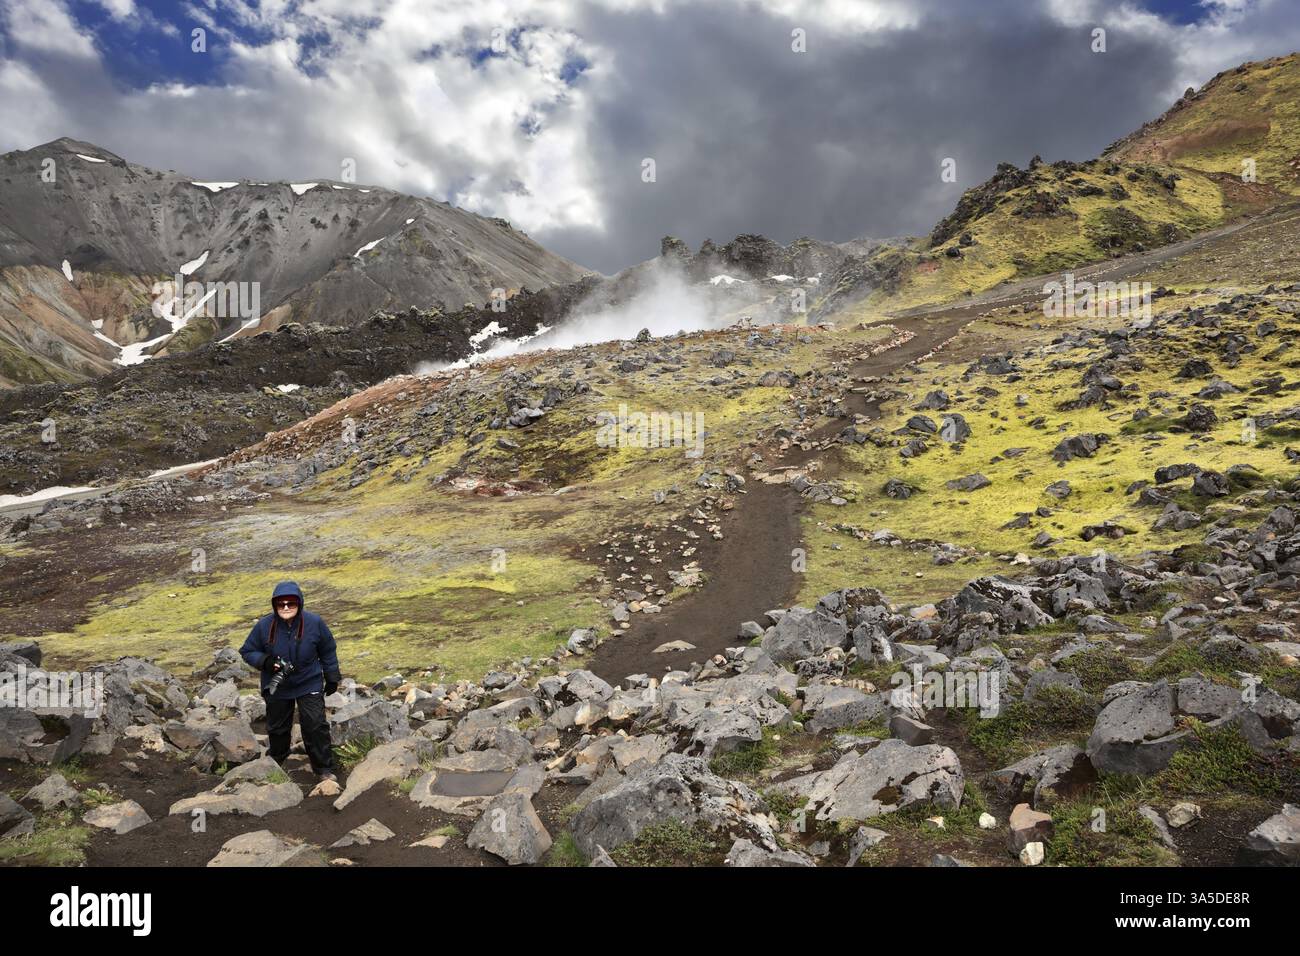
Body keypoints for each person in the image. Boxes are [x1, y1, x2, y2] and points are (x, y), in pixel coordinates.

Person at [239, 581, 341, 782]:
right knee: (278, 728)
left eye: (291, 603)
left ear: (300, 603)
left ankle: (323, 769)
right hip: (277, 684)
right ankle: (277, 762)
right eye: (281, 603)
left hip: (308, 681)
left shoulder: (314, 623)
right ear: (275, 605)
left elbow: (328, 649)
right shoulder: (264, 626)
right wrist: (266, 661)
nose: (286, 607)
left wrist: (332, 676)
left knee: (315, 725)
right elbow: (247, 651)